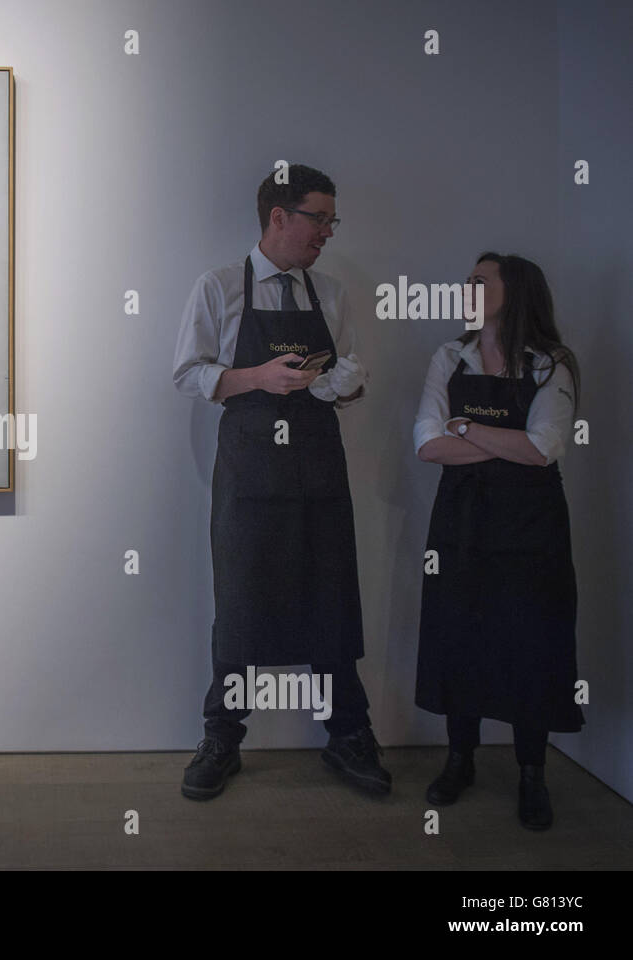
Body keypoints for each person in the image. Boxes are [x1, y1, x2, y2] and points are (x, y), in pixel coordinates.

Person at [173, 163, 390, 800]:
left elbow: (344, 370)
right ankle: (222, 735)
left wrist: (342, 384)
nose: (327, 232)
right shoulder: (218, 287)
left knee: (331, 593)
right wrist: (258, 377)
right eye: (318, 218)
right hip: (250, 468)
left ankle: (348, 733)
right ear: (278, 217)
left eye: (331, 220)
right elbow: (188, 373)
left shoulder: (331, 292)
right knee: (241, 599)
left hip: (318, 465)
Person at [412, 252, 582, 830]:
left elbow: (544, 448)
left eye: (481, 281)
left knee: (531, 640)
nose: (468, 287)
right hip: (460, 521)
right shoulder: (448, 356)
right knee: (458, 634)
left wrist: (467, 428)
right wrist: (504, 439)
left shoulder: (551, 363)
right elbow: (428, 444)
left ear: (516, 291)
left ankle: (531, 773)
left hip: (532, 527)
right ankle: (459, 759)